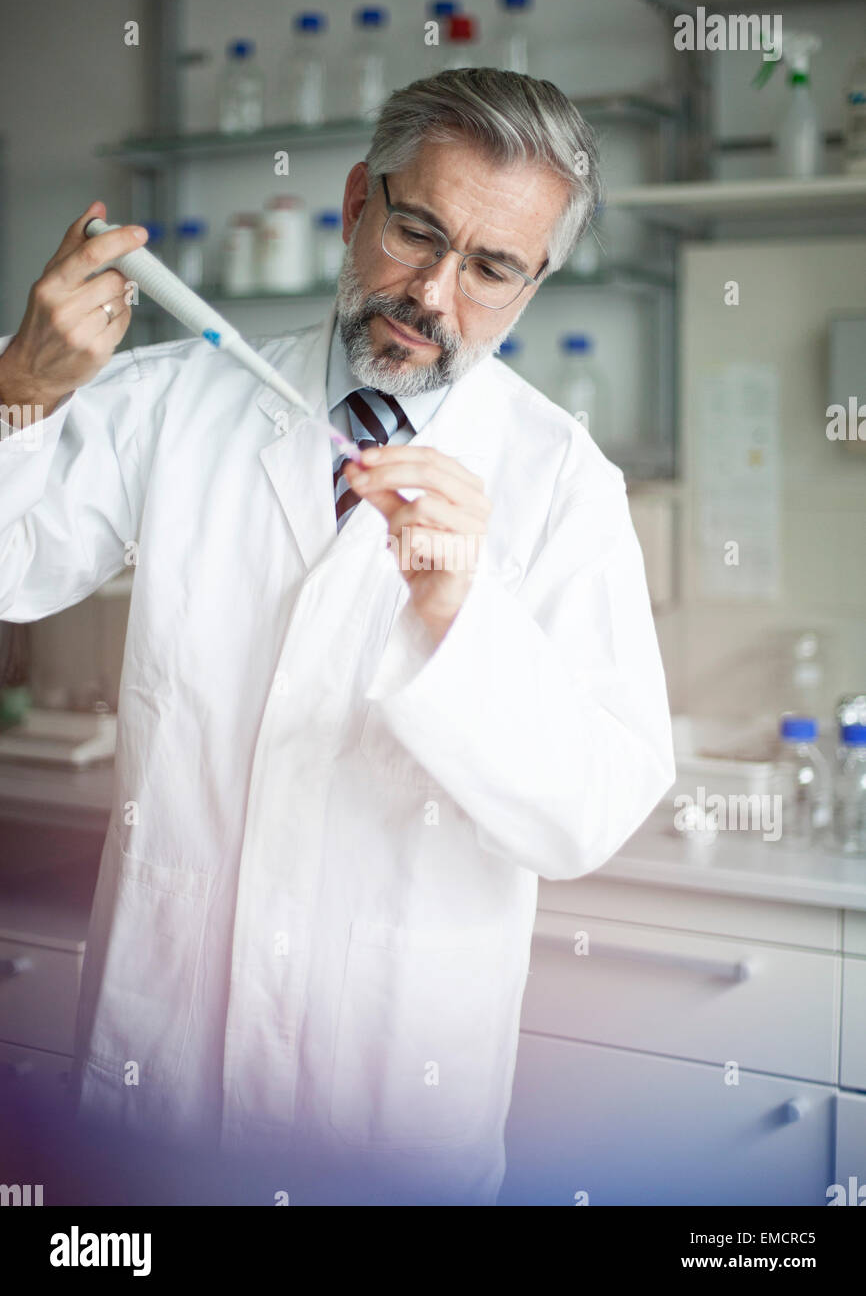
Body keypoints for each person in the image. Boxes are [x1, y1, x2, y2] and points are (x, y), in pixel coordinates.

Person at [0, 68, 674, 1206]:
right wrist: (19, 384)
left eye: (491, 268)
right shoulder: (176, 402)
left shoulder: (563, 485)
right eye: (417, 232)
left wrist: (461, 615)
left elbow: (587, 813)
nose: (433, 295)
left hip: (387, 1127)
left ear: (534, 282)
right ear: (358, 199)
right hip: (155, 1091)